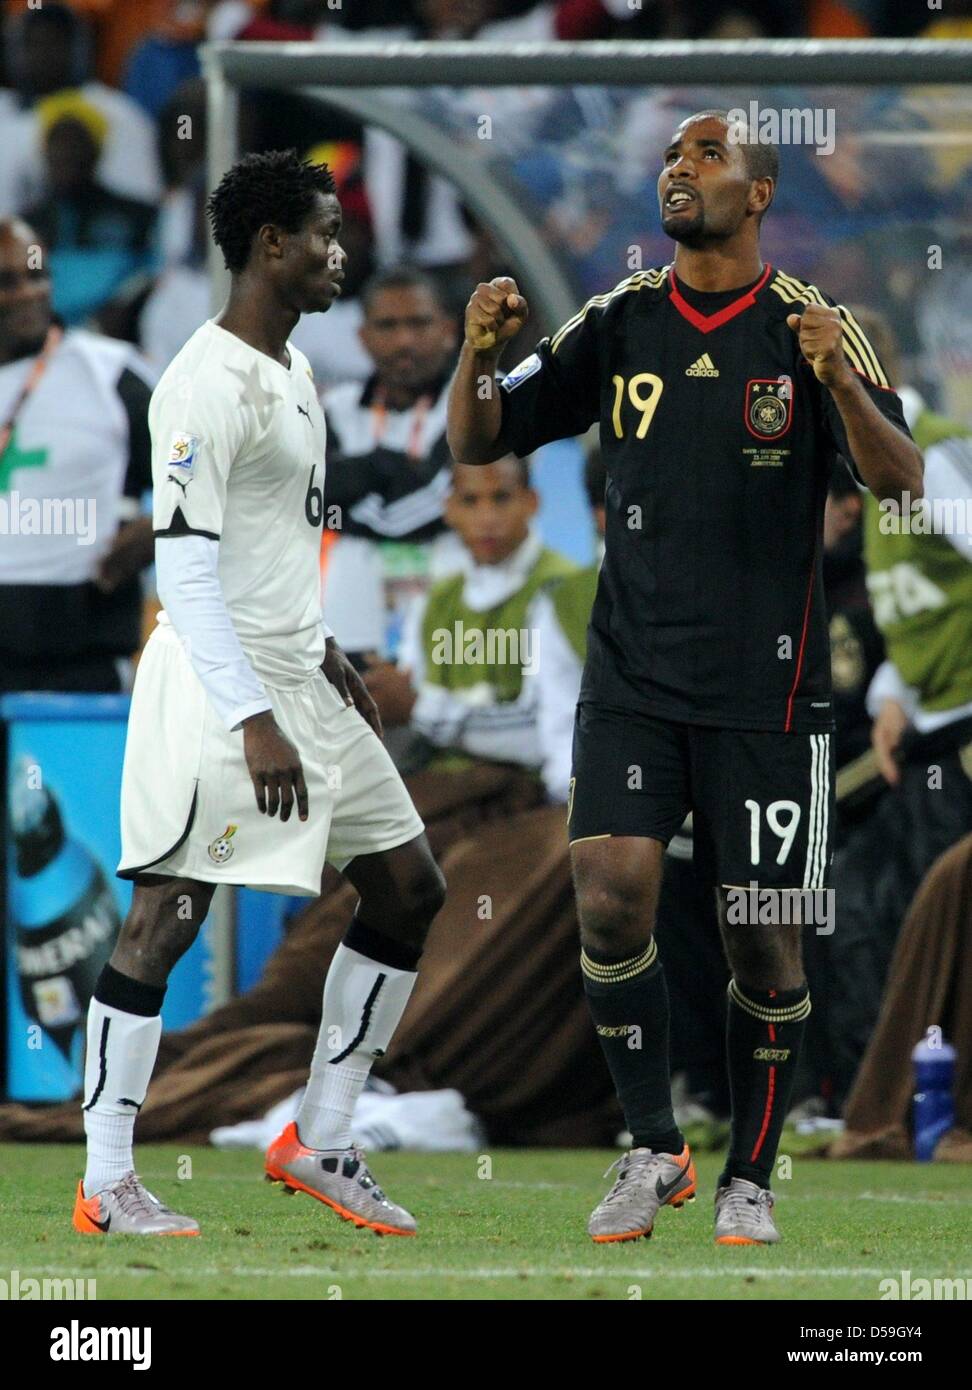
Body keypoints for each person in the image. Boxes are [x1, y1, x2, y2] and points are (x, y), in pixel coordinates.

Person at [448, 110, 922, 1245]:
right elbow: (482, 439)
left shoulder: (817, 326)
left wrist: (839, 388)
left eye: (707, 156)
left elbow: (899, 480)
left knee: (763, 933)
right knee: (609, 896)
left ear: (757, 193)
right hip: (633, 677)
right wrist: (476, 353)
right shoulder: (621, 319)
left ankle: (749, 1173)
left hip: (772, 692)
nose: (679, 169)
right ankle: (652, 1143)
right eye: (671, 156)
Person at [72, 150, 446, 1239]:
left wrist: (322, 649)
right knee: (165, 917)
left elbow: (269, 543)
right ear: (270, 244)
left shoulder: (294, 371)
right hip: (218, 684)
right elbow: (184, 570)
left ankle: (323, 1136)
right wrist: (252, 716)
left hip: (299, 671)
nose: (343, 252)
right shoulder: (203, 381)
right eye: (327, 234)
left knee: (411, 888)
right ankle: (106, 1179)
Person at [0, 216, 155, 694]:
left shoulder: (113, 373)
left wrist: (159, 526)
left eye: (38, 275)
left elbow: (206, 470)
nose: (29, 293)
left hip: (85, 661)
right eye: (7, 282)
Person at [364, 454, 576, 766]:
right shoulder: (436, 599)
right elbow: (411, 705)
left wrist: (417, 709)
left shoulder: (563, 590)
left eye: (501, 498)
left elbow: (548, 733)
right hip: (449, 782)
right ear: (449, 509)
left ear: (532, 502)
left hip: (534, 790)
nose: (487, 517)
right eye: (470, 501)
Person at [321, 265, 464, 662]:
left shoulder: (477, 401)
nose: (404, 341)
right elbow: (305, 499)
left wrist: (360, 480)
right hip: (349, 622)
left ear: (449, 330)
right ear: (363, 337)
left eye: (419, 324)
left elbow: (445, 504)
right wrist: (390, 469)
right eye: (387, 326)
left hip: (452, 626)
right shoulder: (337, 408)